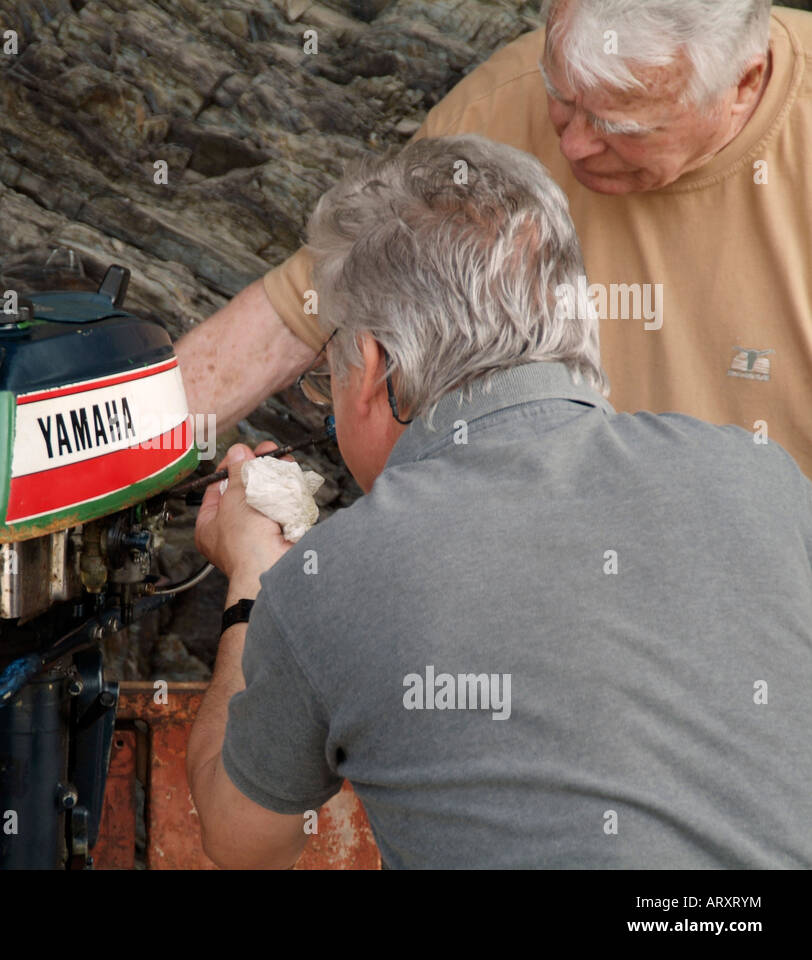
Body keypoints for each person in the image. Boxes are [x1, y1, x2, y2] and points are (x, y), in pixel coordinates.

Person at [185, 134, 812, 869]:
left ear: (382, 369)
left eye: (330, 376)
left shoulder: (336, 576)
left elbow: (240, 842)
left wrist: (253, 586)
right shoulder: (761, 476)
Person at [176, 0, 812, 475]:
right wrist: (117, 449)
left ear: (744, 84)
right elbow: (307, 305)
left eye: (618, 124)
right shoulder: (501, 105)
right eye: (561, 95)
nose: (572, 144)